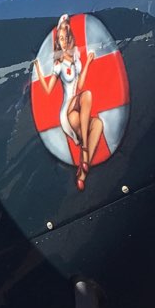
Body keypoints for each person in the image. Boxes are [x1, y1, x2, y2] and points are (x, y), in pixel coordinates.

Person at [33, 14, 104, 191]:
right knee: (86, 95)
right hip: (67, 110)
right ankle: (86, 150)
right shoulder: (58, 65)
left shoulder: (77, 61)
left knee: (99, 124)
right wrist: (39, 71)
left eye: (66, 38)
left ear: (70, 38)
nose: (64, 42)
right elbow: (48, 90)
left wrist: (87, 63)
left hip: (77, 107)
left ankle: (82, 171)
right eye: (60, 39)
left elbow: (79, 84)